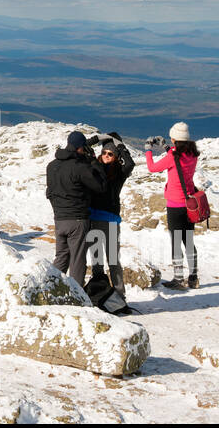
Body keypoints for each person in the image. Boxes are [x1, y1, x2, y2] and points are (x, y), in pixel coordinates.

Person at [45, 130, 106, 285]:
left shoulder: (51, 166)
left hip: (59, 219)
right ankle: (76, 294)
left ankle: (50, 288)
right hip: (77, 219)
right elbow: (100, 186)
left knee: (62, 257)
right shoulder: (79, 167)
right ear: (80, 147)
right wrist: (93, 162)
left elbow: (49, 192)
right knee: (77, 260)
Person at [145, 121, 199, 290]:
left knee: (176, 241)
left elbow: (153, 168)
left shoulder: (173, 155)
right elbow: (178, 158)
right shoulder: (193, 154)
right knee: (188, 240)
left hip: (175, 204)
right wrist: (167, 147)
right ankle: (193, 278)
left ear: (175, 139)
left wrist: (148, 149)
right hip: (190, 203)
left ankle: (178, 279)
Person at [88, 134, 135, 301]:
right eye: (104, 153)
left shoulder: (120, 173)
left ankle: (120, 296)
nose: (106, 156)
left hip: (111, 222)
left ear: (116, 157)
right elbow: (84, 148)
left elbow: (130, 163)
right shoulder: (93, 167)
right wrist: (98, 138)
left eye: (110, 154)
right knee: (96, 261)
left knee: (114, 261)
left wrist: (120, 145)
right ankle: (99, 294)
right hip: (92, 220)